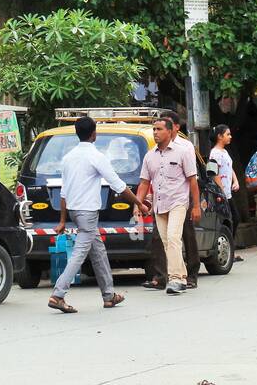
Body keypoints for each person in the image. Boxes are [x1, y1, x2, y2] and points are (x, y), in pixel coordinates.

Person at [48, 116, 149, 313]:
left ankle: (109, 295)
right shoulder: (96, 156)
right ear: (94, 134)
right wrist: (140, 204)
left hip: (74, 211)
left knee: (98, 251)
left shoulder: (68, 158)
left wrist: (62, 220)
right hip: (88, 212)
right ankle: (58, 294)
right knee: (79, 254)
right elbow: (118, 185)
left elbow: (63, 192)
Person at [136, 116, 201, 294]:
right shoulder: (149, 156)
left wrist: (196, 206)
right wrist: (137, 204)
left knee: (173, 238)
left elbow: (192, 181)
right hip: (159, 204)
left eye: (159, 129)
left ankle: (176, 279)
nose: (155, 133)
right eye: (154, 129)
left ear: (170, 131)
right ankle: (181, 274)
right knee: (166, 242)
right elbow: (143, 183)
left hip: (179, 202)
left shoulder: (183, 151)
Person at [208, 124, 242, 248]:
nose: (230, 137)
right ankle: (228, 248)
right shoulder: (214, 153)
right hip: (221, 194)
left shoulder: (225, 152)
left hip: (227, 192)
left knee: (234, 219)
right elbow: (212, 172)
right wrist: (221, 189)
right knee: (231, 219)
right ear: (219, 136)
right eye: (227, 134)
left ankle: (229, 248)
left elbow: (229, 167)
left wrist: (236, 181)